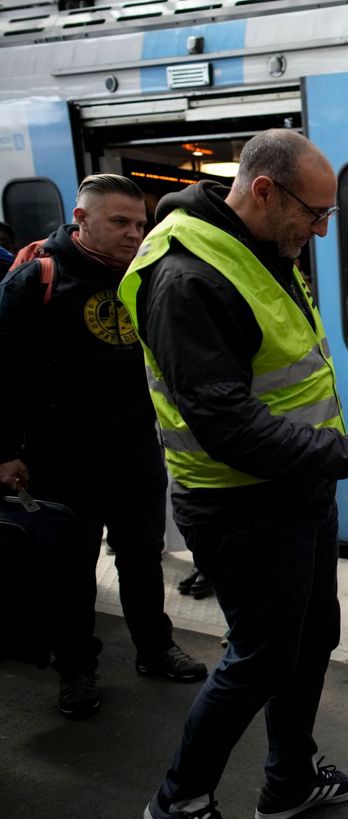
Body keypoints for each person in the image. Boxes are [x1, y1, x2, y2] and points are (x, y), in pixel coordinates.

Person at [117, 129, 348, 819]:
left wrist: (329, 458)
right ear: (263, 191)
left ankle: (289, 779)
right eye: (315, 214)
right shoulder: (186, 276)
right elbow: (225, 424)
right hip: (238, 503)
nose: (321, 231)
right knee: (260, 657)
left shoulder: (262, 247)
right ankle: (178, 800)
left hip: (294, 488)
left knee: (311, 638)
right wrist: (347, 455)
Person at [0, 174, 207, 721]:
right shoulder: (39, 277)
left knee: (142, 556)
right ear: (81, 218)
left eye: (140, 223)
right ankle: (76, 669)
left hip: (135, 445)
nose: (134, 233)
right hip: (61, 452)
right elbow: (6, 373)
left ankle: (154, 647)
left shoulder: (147, 271)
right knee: (71, 567)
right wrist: (6, 450)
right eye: (119, 222)